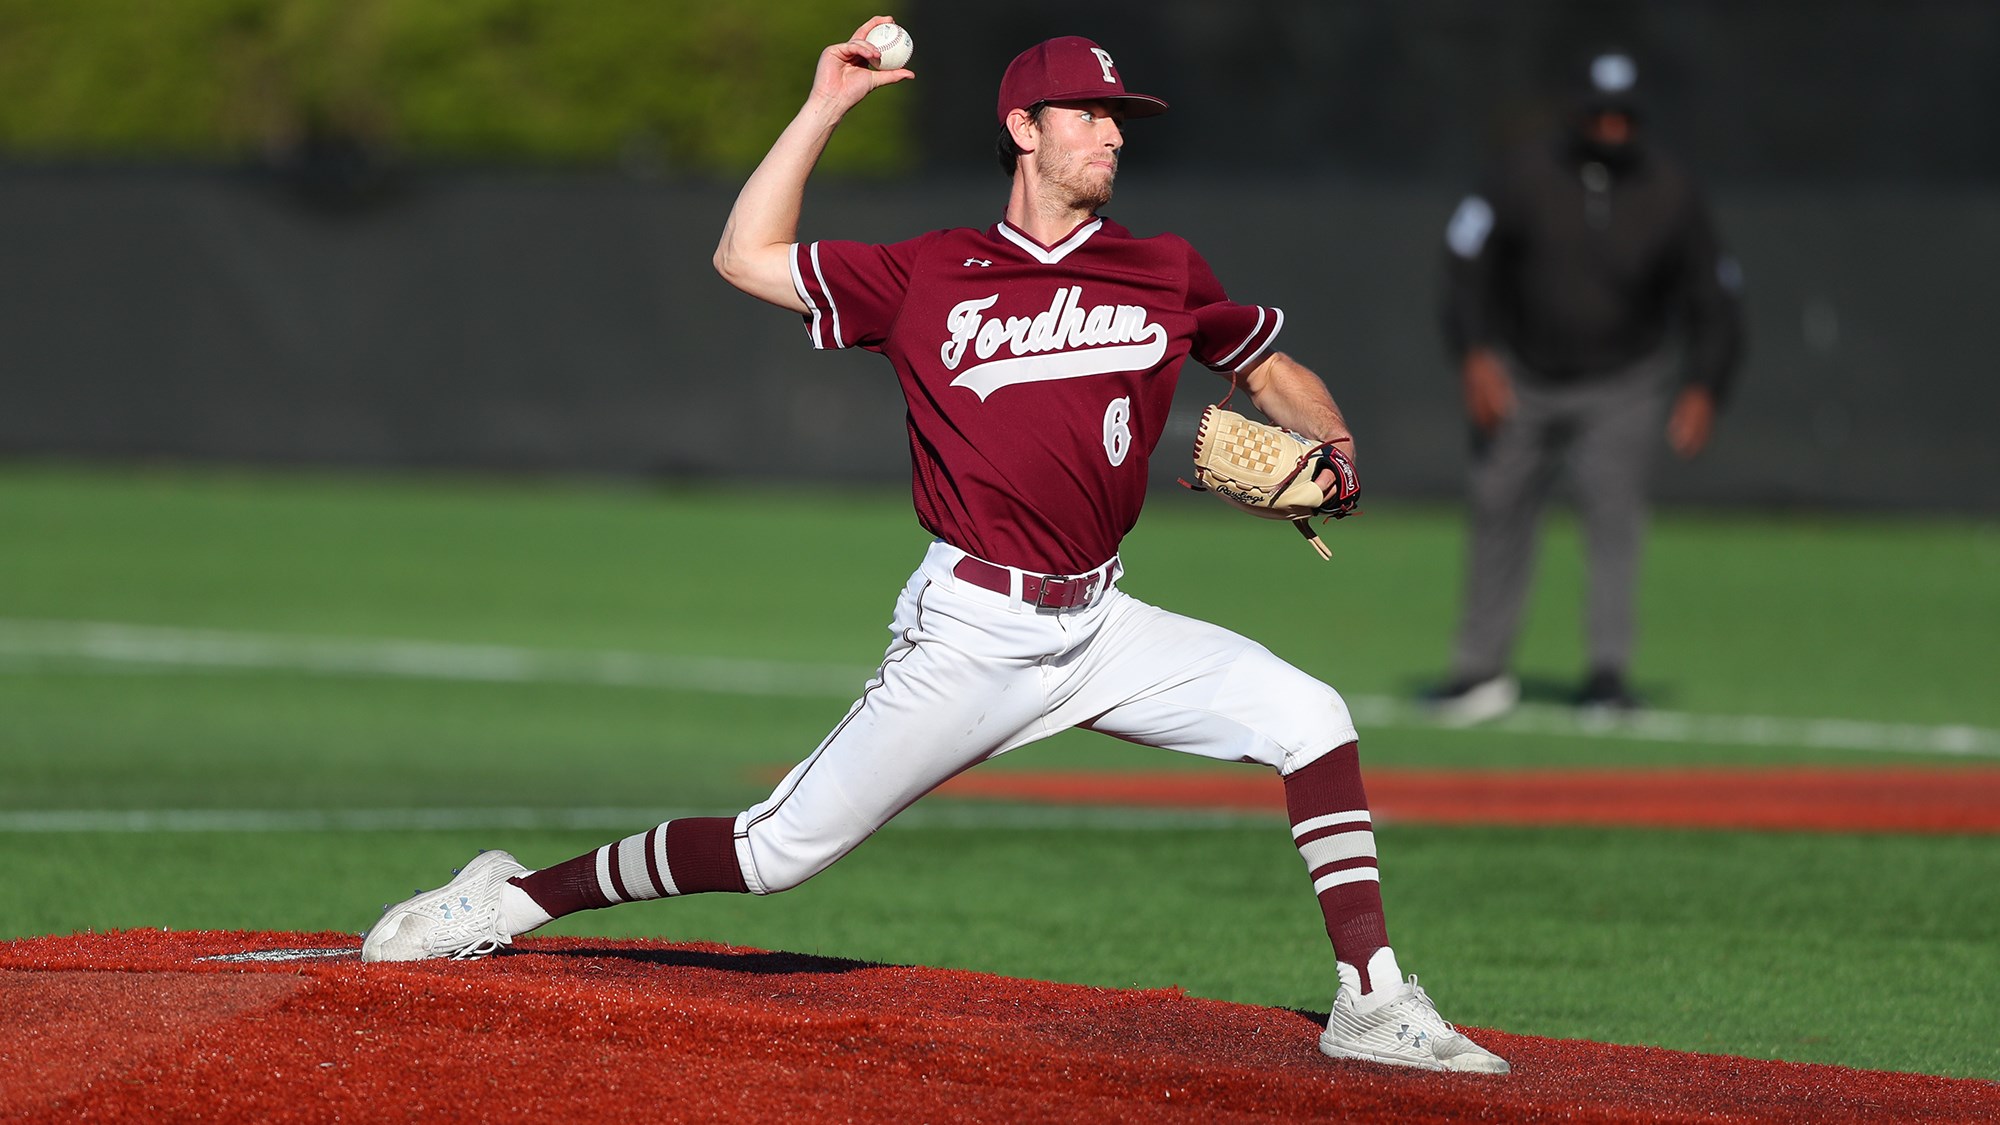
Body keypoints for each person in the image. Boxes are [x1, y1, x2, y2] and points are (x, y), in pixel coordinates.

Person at [361, 20, 1508, 1075]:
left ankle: (1367, 999)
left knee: (1310, 716)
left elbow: (1261, 363)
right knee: (774, 855)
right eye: (1091, 112)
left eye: (1122, 117)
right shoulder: (928, 272)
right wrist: (823, 108)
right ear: (1023, 128)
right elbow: (744, 257)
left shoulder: (1160, 269)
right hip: (973, 629)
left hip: (1102, 623)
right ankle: (510, 900)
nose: (1112, 131)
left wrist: (1335, 437)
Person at [1427, 49, 1745, 725]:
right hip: (1521, 372)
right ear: (1577, 114)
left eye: (1622, 115)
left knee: (1613, 520)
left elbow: (1713, 294)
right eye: (1598, 113)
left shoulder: (1670, 190)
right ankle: (1479, 671)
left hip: (1624, 379)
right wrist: (1475, 354)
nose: (1610, 127)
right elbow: (1465, 263)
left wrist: (1705, 385)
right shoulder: (1522, 173)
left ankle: (1606, 675)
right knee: (1497, 507)